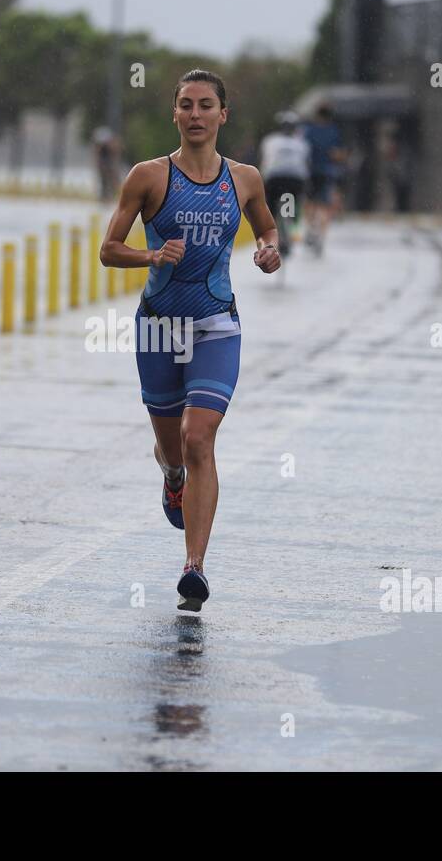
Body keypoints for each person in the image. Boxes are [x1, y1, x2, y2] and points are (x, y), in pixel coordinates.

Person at [99, 69, 281, 611]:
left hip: (217, 325)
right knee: (173, 447)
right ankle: (172, 476)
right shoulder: (148, 177)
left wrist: (269, 249)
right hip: (157, 326)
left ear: (224, 115)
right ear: (174, 114)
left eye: (206, 105)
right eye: (186, 105)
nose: (195, 115)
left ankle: (194, 568)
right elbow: (109, 249)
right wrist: (151, 255)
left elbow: (268, 228)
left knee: (200, 437)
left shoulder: (244, 178)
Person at [258, 111, 310, 258]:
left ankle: (275, 232)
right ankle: (292, 228)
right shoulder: (302, 143)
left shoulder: (270, 140)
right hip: (295, 179)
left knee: (272, 208)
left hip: (274, 178)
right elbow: (306, 164)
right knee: (293, 206)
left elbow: (264, 160)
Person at [304, 104, 345, 255]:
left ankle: (310, 229)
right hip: (327, 172)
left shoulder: (309, 130)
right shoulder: (334, 132)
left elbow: (304, 150)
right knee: (325, 205)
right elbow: (337, 154)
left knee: (309, 203)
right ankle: (320, 236)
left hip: (310, 172)